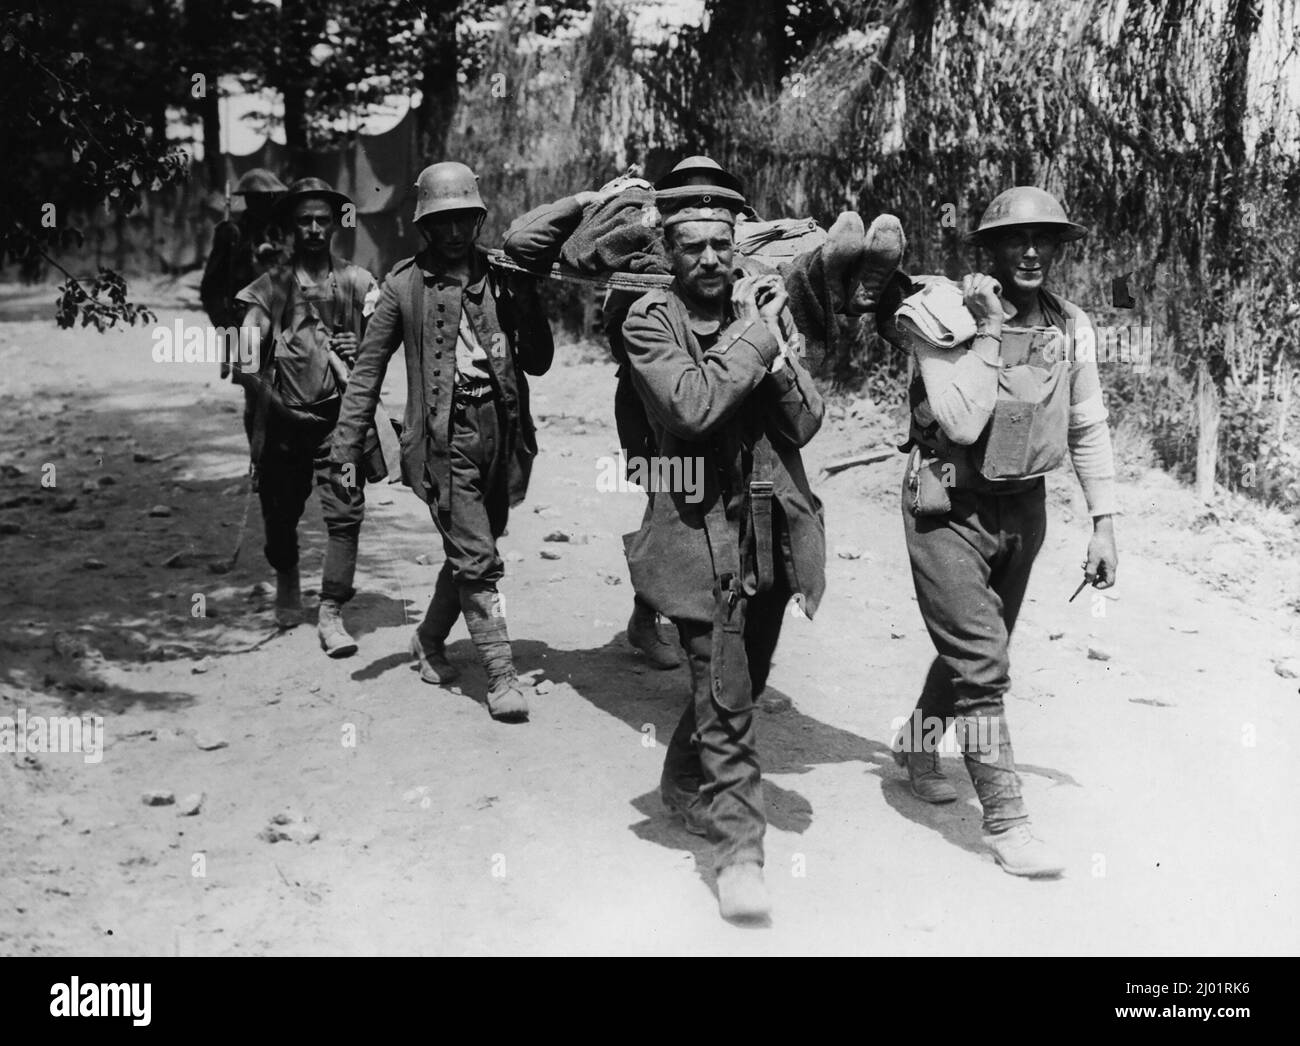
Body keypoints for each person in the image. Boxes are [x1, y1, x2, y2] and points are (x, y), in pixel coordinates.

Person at [503, 156, 904, 673]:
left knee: (718, 497)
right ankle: (658, 620)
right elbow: (523, 244)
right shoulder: (627, 223)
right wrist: (590, 200)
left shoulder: (734, 246)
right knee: (674, 507)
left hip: (734, 364)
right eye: (691, 206)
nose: (705, 219)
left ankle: (845, 278)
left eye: (715, 205)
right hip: (654, 396)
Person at [888, 186, 1119, 877]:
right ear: (986, 250)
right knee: (983, 662)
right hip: (947, 508)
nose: (1030, 252)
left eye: (1044, 240)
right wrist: (988, 329)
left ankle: (916, 744)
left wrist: (1104, 523)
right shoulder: (938, 314)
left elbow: (1086, 422)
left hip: (1024, 510)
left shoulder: (1070, 323)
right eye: (1014, 241)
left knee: (975, 649)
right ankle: (1008, 820)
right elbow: (960, 423)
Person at [618, 184, 830, 921]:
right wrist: (759, 338)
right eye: (692, 246)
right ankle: (740, 856)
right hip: (697, 536)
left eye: (720, 244)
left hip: (769, 534)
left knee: (736, 679)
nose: (709, 258)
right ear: (667, 254)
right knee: (732, 697)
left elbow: (804, 423)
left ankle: (680, 785)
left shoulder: (754, 319)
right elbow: (693, 407)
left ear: (736, 246)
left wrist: (773, 345)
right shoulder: (651, 322)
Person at [328, 162, 554, 722]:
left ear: (478, 219)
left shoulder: (502, 275)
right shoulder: (402, 287)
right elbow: (366, 374)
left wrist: (526, 296)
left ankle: (429, 638)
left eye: (463, 221)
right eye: (442, 222)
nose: (454, 233)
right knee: (478, 557)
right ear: (425, 226)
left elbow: (540, 363)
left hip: (501, 433)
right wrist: (345, 448)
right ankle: (501, 677)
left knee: (475, 546)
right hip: (441, 440)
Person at [233, 177, 379, 657]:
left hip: (338, 421)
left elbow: (383, 345)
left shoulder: (358, 282)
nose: (314, 228)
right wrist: (270, 412)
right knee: (280, 513)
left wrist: (360, 348)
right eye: (304, 220)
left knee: (345, 512)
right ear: (291, 227)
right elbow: (245, 362)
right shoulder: (268, 288)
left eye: (322, 219)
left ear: (336, 224)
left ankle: (332, 611)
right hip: (282, 423)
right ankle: (287, 578)